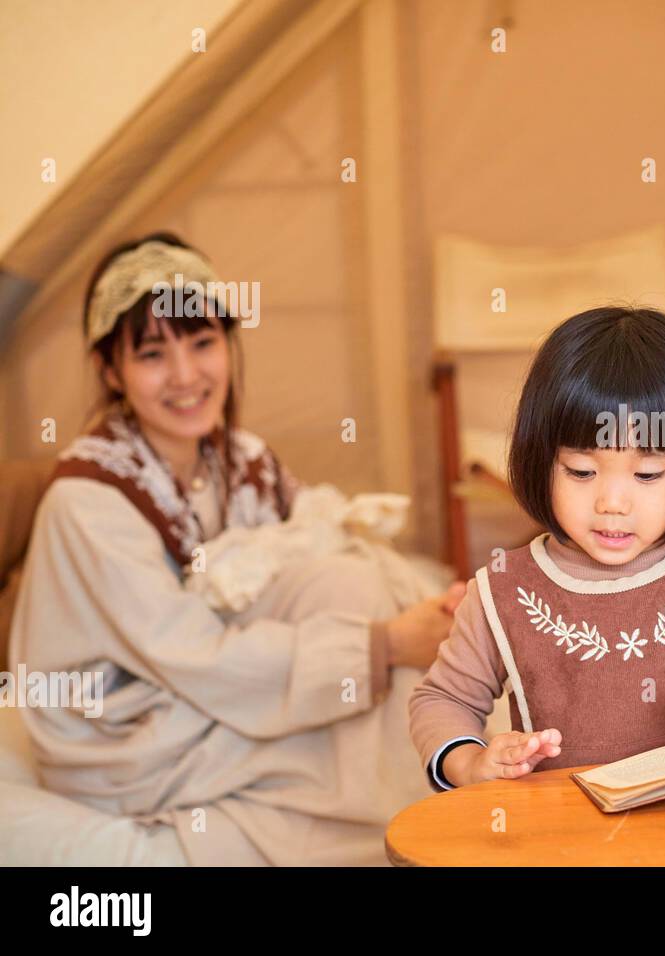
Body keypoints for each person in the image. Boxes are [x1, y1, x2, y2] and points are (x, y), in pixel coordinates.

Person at [10, 233, 465, 865]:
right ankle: (425, 829)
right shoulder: (86, 502)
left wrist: (435, 616)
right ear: (111, 370)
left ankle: (432, 815)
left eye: (202, 343)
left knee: (353, 579)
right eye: (152, 354)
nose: (186, 376)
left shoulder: (238, 459)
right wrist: (383, 645)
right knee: (364, 659)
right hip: (125, 731)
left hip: (216, 688)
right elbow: (190, 653)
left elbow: (318, 549)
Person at [409, 307, 665, 788]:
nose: (611, 503)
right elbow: (440, 701)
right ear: (540, 461)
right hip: (569, 846)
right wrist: (469, 762)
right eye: (581, 472)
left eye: (647, 474)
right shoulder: (502, 590)